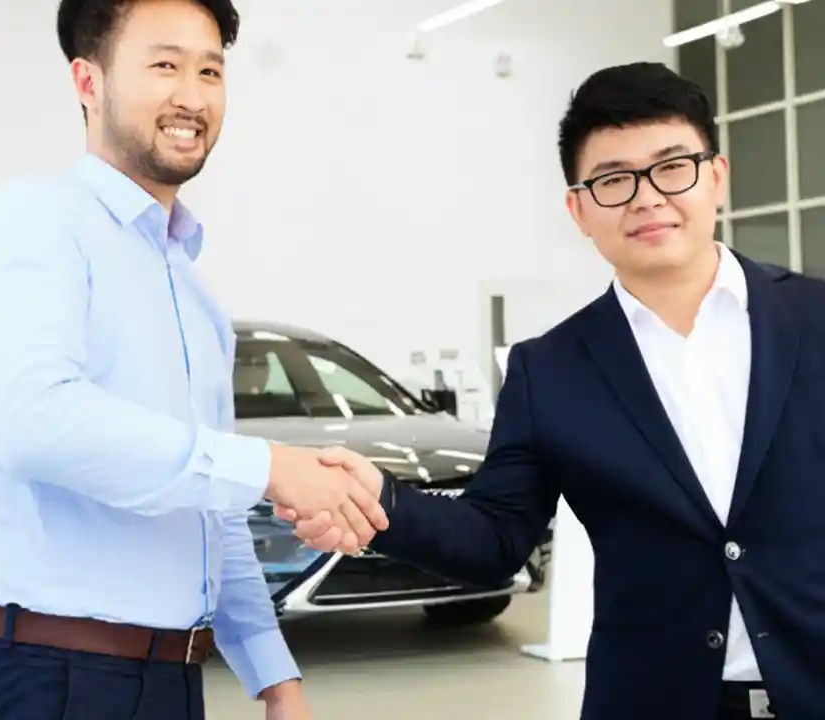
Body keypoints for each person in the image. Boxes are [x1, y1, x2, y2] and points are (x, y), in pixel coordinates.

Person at [279, 62, 825, 719]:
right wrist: (382, 500)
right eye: (614, 180)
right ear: (579, 209)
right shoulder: (551, 370)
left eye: (672, 166)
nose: (648, 197)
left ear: (717, 176)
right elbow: (496, 539)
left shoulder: (814, 320)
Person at [0, 0, 387, 717]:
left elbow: (211, 503)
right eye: (165, 65)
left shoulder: (191, 290)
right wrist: (271, 467)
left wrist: (274, 677)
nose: (192, 97)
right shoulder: (33, 221)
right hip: (46, 676)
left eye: (210, 71)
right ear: (88, 82)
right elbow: (35, 422)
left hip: (172, 680)